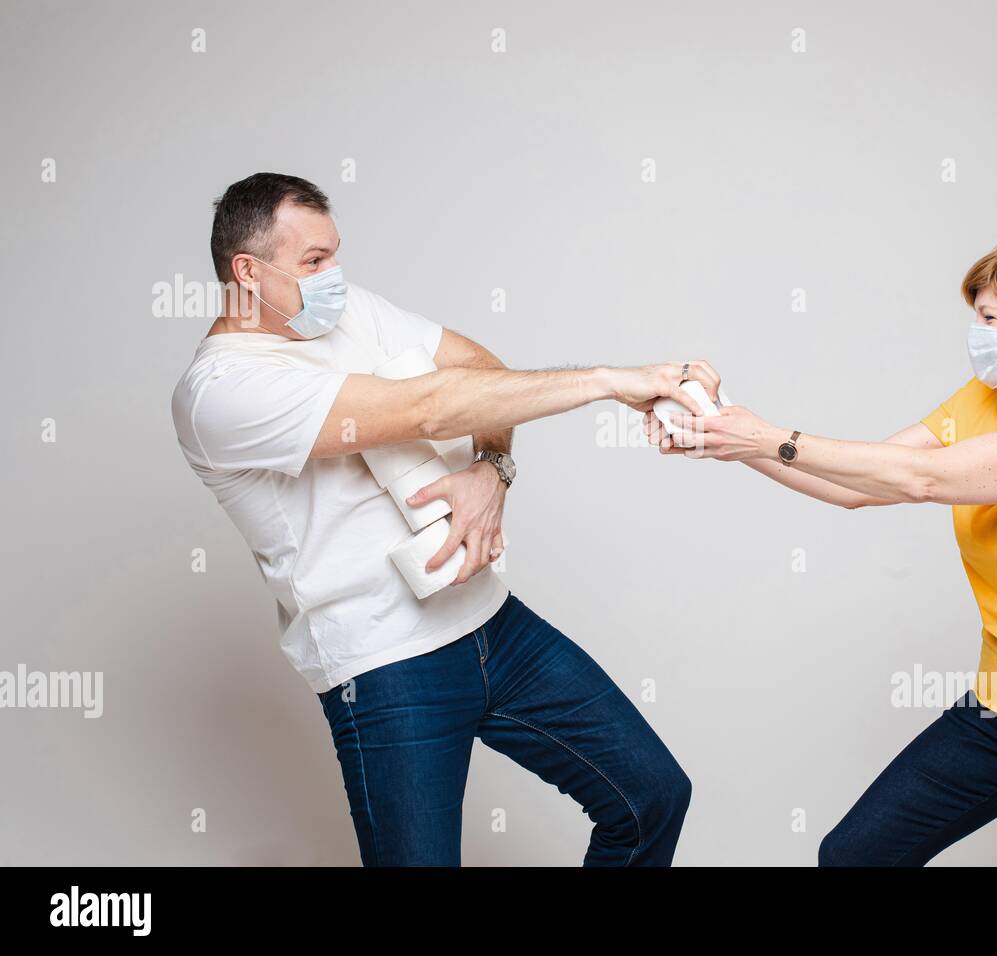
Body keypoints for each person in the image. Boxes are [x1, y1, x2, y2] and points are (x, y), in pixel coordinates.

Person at [172, 172, 712, 866]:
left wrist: (493, 469)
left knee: (651, 798)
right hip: (386, 668)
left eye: (334, 254)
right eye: (313, 262)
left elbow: (480, 370)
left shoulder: (340, 309)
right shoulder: (221, 393)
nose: (333, 276)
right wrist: (610, 382)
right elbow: (432, 406)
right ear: (248, 272)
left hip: (494, 625)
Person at [645, 235, 997, 866]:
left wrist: (768, 436)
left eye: (991, 318)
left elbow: (922, 479)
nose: (975, 332)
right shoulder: (983, 402)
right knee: (856, 856)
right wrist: (727, 441)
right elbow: (858, 486)